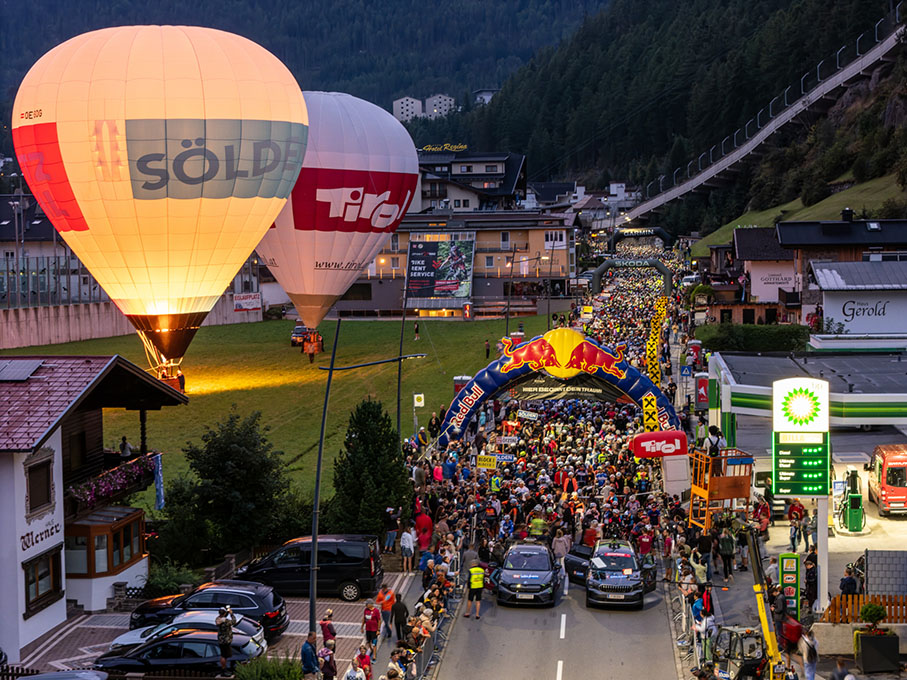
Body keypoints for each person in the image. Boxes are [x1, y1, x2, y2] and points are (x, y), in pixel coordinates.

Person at [215, 605, 237, 671]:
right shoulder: (226, 621)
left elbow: (222, 617)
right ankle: (224, 668)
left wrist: (226, 613)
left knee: (223, 655)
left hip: (221, 640)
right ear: (224, 613)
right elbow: (234, 621)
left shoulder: (217, 619)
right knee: (224, 656)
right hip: (226, 640)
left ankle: (223, 667)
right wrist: (231, 613)